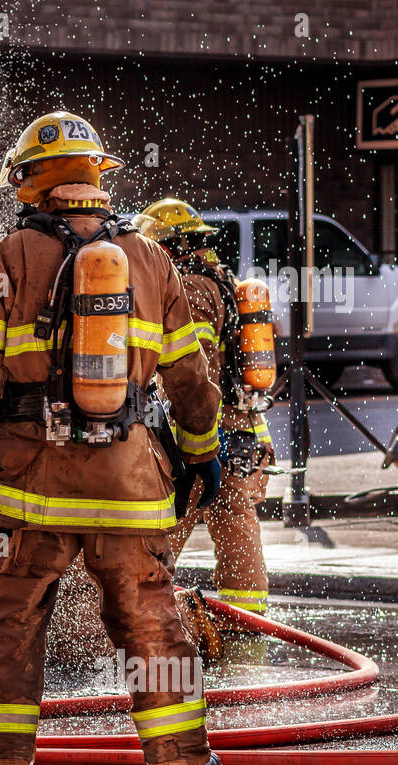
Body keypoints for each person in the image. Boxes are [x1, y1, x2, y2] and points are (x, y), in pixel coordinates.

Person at [0, 112, 224, 765]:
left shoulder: (10, 258)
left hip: (31, 484)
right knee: (148, 614)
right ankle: (180, 755)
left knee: (15, 617)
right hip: (127, 479)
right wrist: (202, 450)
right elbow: (189, 376)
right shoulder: (152, 260)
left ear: (34, 181)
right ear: (98, 175)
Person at [138, 198, 274, 618]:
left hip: (208, 432)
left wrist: (192, 437)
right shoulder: (220, 278)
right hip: (239, 427)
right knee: (237, 530)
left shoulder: (192, 289)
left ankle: (147, 614)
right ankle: (246, 623)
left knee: (165, 526)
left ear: (169, 246)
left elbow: (197, 372)